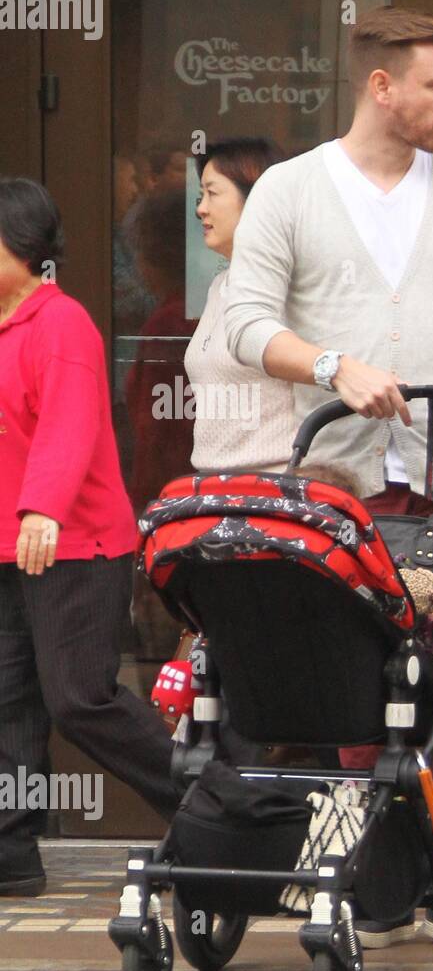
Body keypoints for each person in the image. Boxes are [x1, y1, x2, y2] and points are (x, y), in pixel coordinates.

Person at [224, 5, 433, 946]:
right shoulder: (288, 191)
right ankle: (376, 863)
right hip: (344, 476)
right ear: (382, 87)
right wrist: (334, 368)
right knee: (353, 675)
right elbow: (245, 322)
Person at [0, 178, 179, 897]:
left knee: (81, 697)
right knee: (7, 696)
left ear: (19, 246)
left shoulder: (61, 322)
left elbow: (70, 423)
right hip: (11, 546)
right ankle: (11, 847)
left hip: (76, 544)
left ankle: (209, 809)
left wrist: (42, 506)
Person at [187, 138, 295, 472]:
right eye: (201, 195)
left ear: (256, 199)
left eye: (213, 193)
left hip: (276, 488)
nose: (201, 208)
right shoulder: (220, 285)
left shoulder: (291, 287)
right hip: (217, 487)